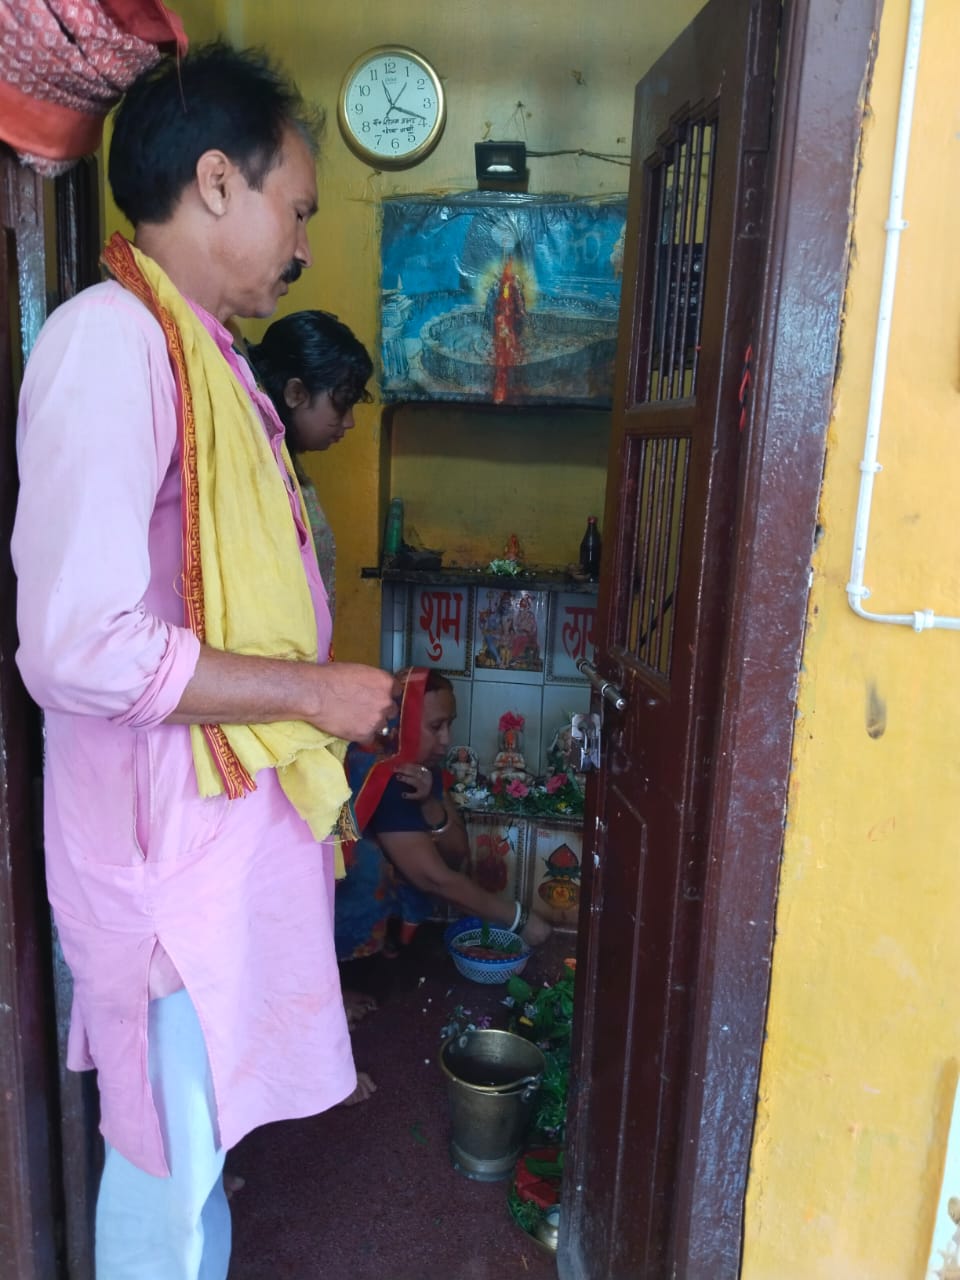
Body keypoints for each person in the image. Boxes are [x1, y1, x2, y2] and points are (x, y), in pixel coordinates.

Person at [10, 42, 398, 1280]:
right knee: (165, 1177)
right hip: (159, 864)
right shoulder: (108, 344)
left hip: (209, 850)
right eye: (297, 208)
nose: (299, 244)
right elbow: (77, 645)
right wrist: (310, 690)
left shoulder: (210, 356)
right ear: (219, 182)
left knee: (195, 1167)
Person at [335, 667, 553, 964]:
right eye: (435, 727)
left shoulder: (419, 769)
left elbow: (458, 853)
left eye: (449, 725)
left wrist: (430, 806)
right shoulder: (385, 775)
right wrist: (520, 919)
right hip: (338, 926)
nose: (446, 739)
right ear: (403, 723)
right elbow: (432, 878)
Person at [247, 309, 373, 623]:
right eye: (342, 404)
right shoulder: (255, 468)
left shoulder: (284, 462)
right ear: (296, 394)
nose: (349, 422)